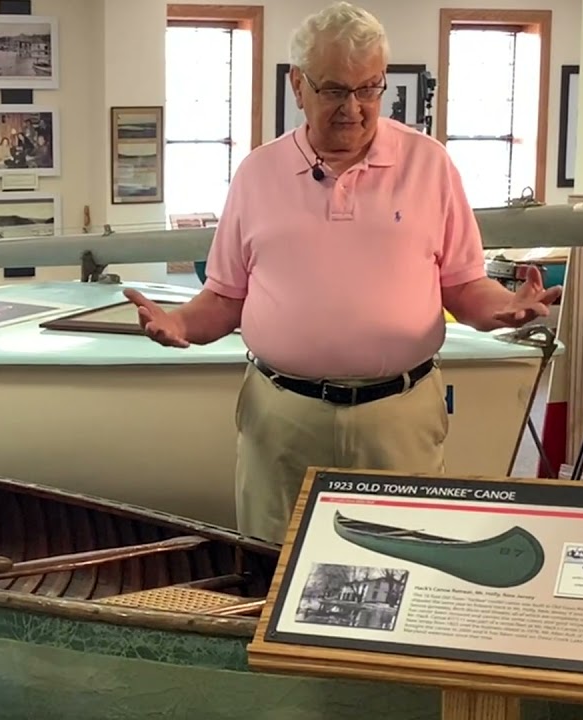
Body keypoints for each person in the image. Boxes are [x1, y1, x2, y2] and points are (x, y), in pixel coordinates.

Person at [125, 1, 560, 544]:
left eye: (368, 89)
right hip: (283, 419)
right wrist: (181, 325)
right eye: (334, 90)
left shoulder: (431, 166)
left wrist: (503, 307)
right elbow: (225, 298)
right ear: (297, 86)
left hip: (397, 418)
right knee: (273, 571)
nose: (353, 108)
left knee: (406, 568)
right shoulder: (257, 175)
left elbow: (464, 286)